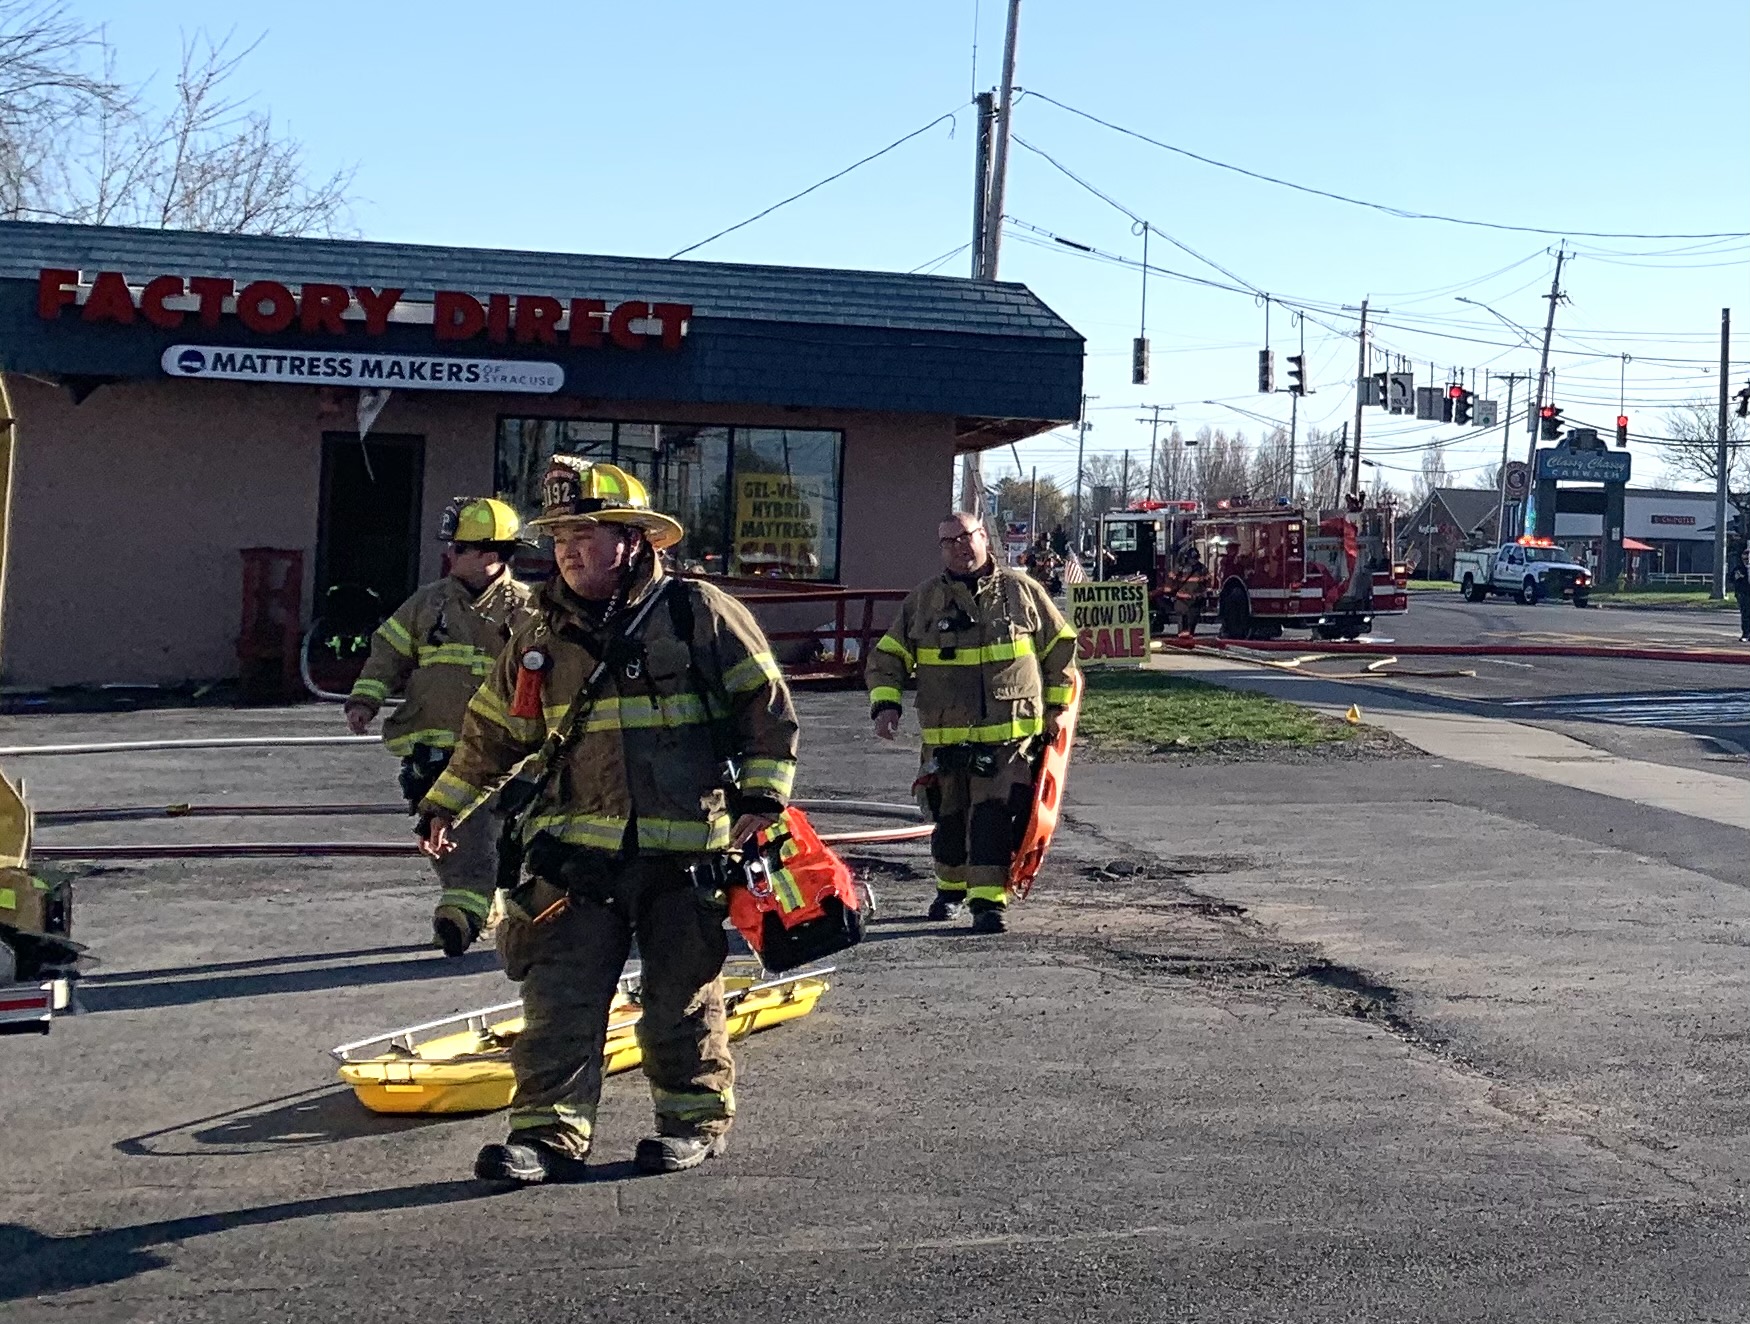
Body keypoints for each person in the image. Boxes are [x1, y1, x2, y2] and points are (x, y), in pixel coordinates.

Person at [416, 458, 798, 1184]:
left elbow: (768, 714)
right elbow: (493, 734)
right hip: (577, 856)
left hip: (686, 851)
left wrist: (761, 801)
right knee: (558, 997)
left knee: (679, 997)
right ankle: (544, 1137)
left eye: (584, 533)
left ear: (633, 541)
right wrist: (445, 804)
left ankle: (690, 1121)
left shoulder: (699, 613)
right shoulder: (539, 635)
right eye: (558, 536)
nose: (566, 549)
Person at [866, 512, 1078, 934]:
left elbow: (1061, 651)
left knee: (992, 820)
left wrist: (1055, 713)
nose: (960, 547)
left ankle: (988, 903)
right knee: (948, 820)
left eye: (967, 536)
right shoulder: (924, 601)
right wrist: (885, 705)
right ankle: (949, 891)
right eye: (949, 541)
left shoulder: (1022, 592)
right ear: (941, 548)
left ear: (984, 537)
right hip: (945, 741)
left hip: (1009, 740)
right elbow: (887, 658)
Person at [345, 498, 535, 956]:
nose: (452, 555)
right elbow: (388, 652)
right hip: (434, 748)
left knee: (501, 839)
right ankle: (465, 911)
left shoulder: (528, 611)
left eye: (463, 547)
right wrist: (364, 699)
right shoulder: (427, 603)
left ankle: (474, 907)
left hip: (504, 753)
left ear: (493, 554)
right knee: (455, 835)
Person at [1166, 546, 1207, 637]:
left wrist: (1202, 596)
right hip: (1182, 599)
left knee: (1192, 621)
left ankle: (1189, 637)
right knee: (1182, 618)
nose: (1194, 561)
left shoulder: (1202, 569)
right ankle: (1182, 639)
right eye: (1192, 558)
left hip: (1195, 600)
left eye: (1195, 558)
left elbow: (1205, 584)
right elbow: (1171, 581)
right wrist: (1172, 591)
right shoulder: (1180, 568)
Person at [1730, 547, 1750, 643]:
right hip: (1744, 594)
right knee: (1745, 614)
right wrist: (1737, 577)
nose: (1747, 559)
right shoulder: (1739, 569)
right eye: (1745, 557)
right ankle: (1746, 634)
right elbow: (1731, 579)